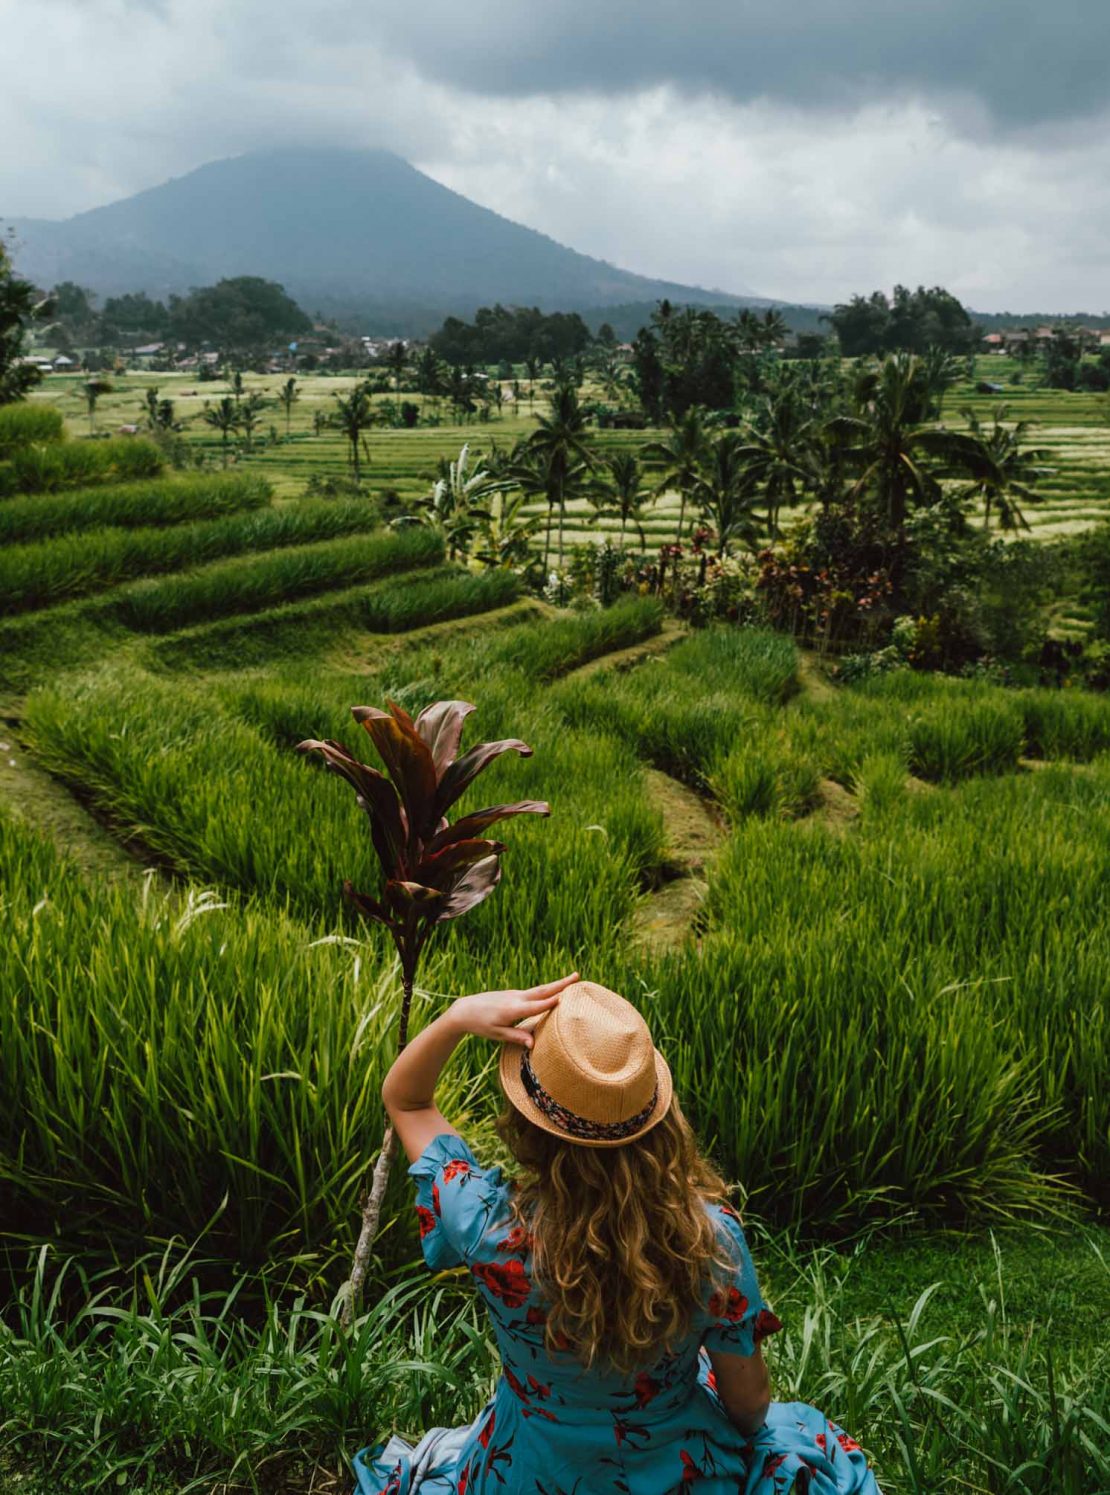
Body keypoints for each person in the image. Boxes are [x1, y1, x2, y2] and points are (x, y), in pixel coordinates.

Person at [354, 977, 880, 1495]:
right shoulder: (709, 1240)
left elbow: (407, 1101)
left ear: (528, 1125)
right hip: (679, 1475)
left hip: (524, 1473)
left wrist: (457, 1018)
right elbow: (750, 1408)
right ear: (656, 1120)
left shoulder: (484, 1223)